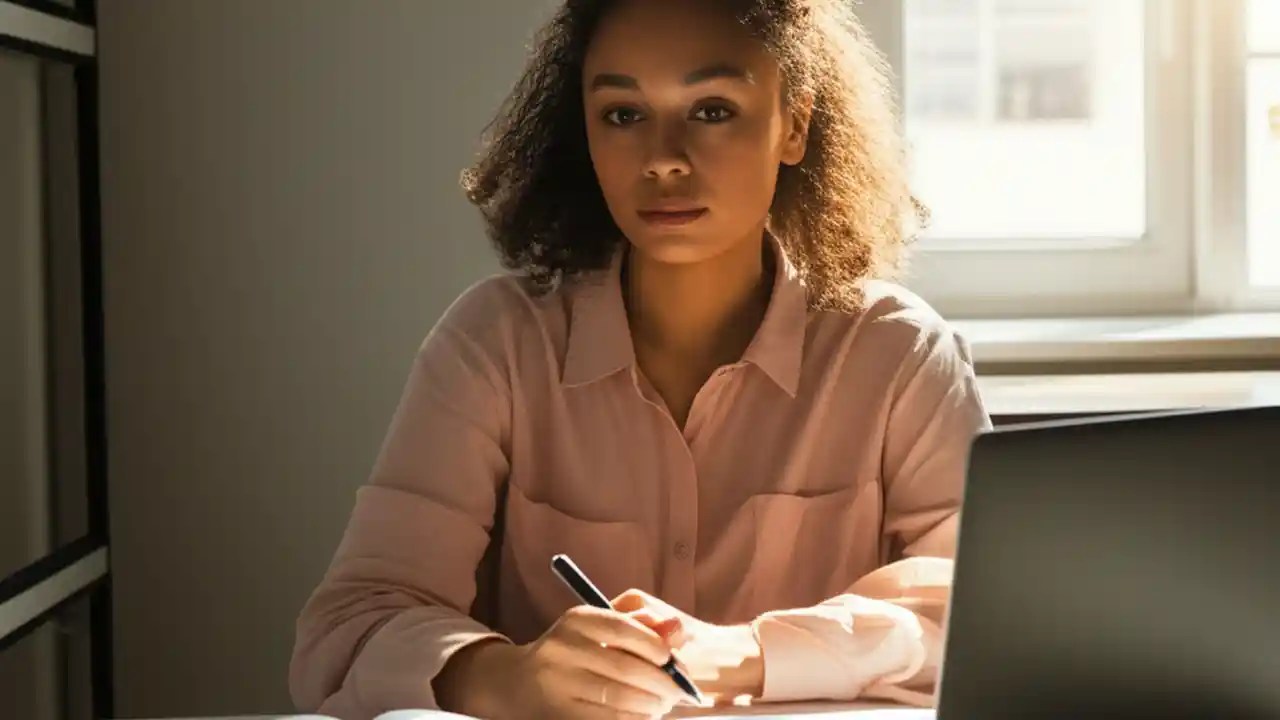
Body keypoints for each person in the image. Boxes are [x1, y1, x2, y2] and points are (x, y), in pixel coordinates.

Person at [289, 0, 990, 718]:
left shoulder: (898, 353)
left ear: (795, 124)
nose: (662, 158)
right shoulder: (494, 344)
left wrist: (751, 656)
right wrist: (511, 676)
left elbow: (984, 619)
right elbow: (348, 629)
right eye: (623, 114)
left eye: (712, 109)